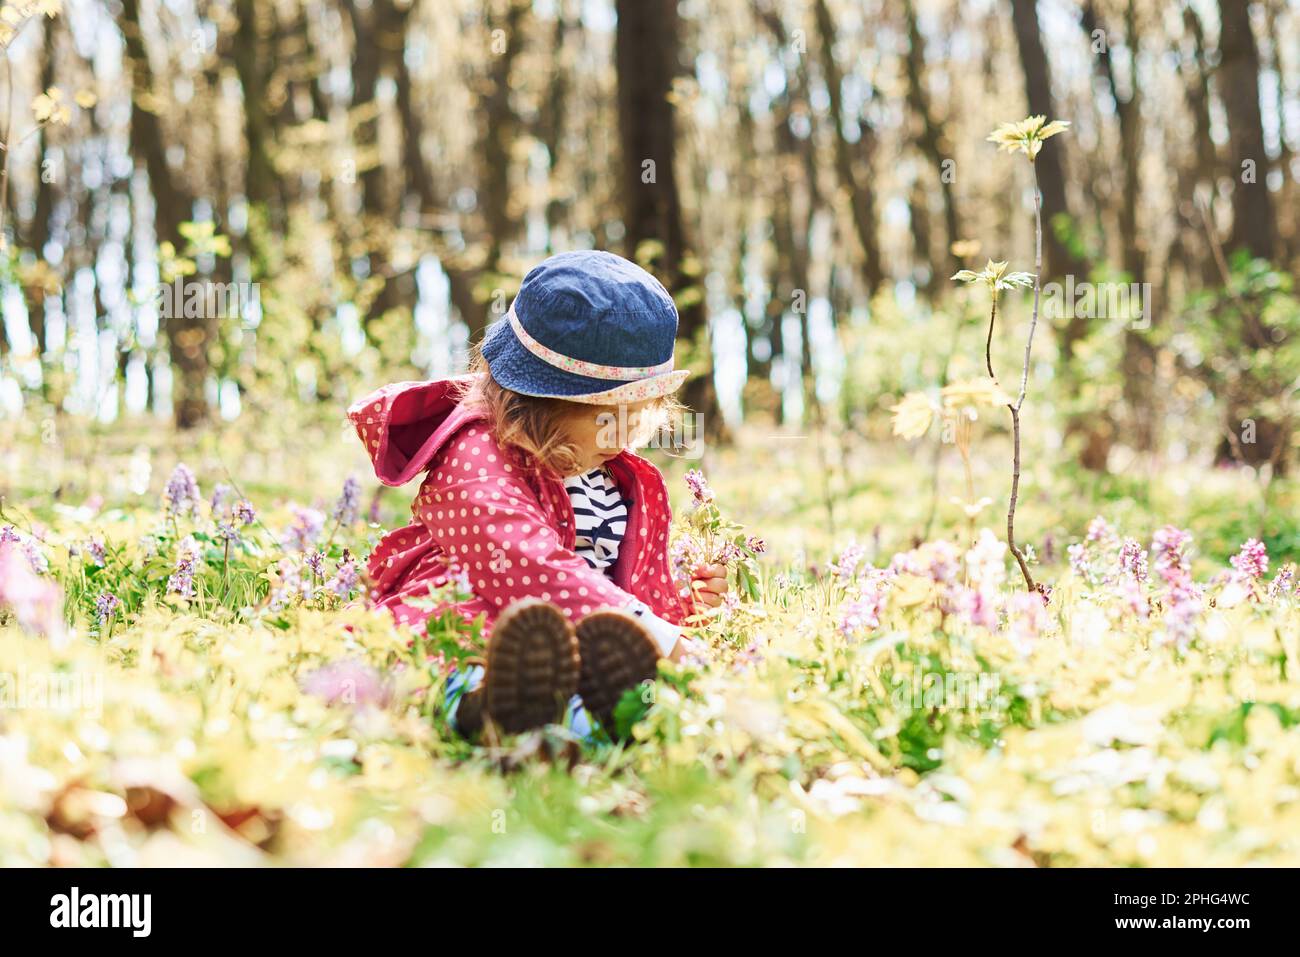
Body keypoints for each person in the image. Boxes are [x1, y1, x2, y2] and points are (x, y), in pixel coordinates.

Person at [348, 250, 727, 738]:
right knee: (457, 667)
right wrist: (658, 636)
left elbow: (623, 581)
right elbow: (532, 566)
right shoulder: (475, 456)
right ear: (542, 403)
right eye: (610, 416)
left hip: (574, 646)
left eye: (638, 418)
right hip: (466, 627)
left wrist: (688, 608)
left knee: (624, 697)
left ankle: (587, 719)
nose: (623, 438)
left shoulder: (612, 475)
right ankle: (488, 712)